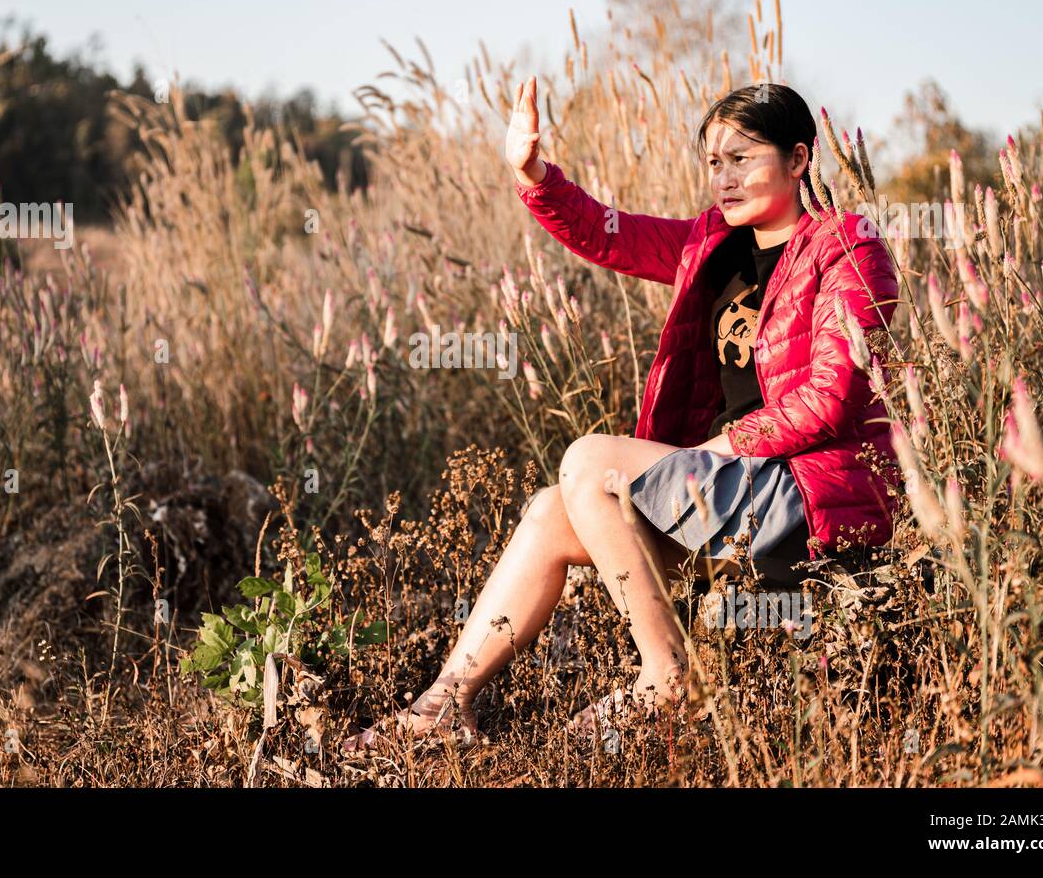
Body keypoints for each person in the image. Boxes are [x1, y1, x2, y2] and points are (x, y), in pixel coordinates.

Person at [340, 78, 900, 753]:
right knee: (552, 510)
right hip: (730, 484)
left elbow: (832, 396)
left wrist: (725, 445)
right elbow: (610, 235)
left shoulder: (846, 245)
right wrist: (536, 175)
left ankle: (669, 678)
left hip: (807, 491)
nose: (723, 178)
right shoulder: (711, 243)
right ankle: (442, 704)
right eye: (714, 162)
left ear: (800, 158)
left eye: (743, 158)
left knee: (589, 459)